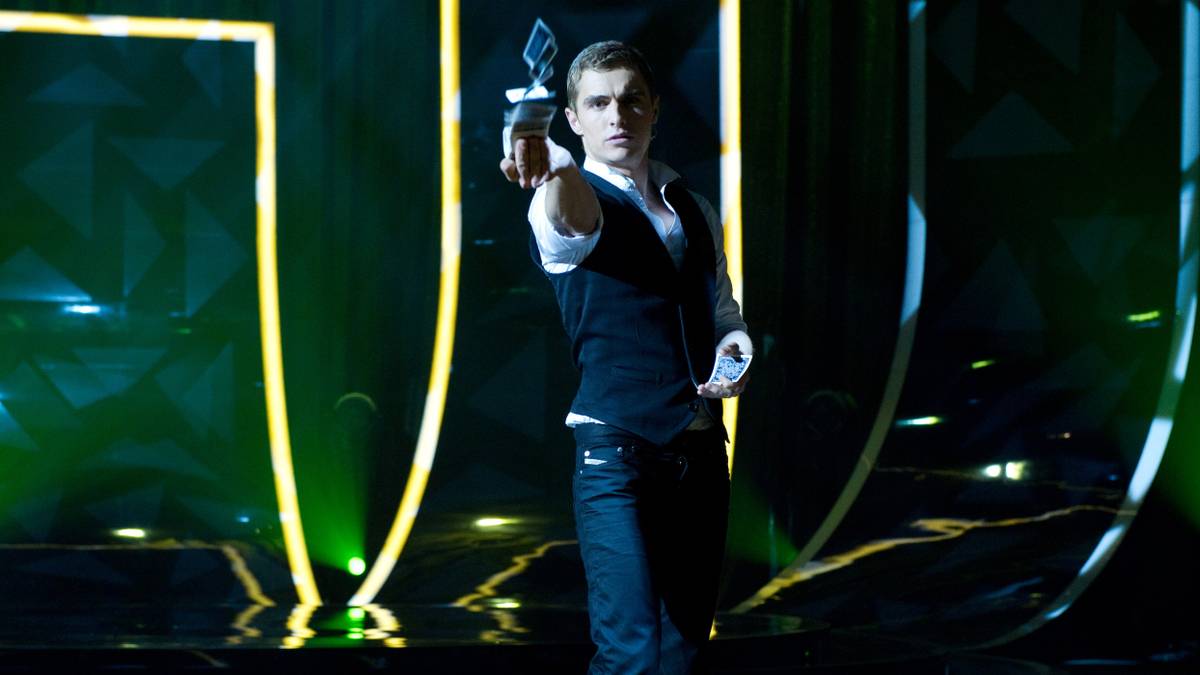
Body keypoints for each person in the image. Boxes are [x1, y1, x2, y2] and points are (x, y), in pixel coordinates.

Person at [499, 40, 752, 674]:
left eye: (631, 100)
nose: (618, 115)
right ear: (574, 118)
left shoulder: (693, 207)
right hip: (617, 452)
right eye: (598, 103)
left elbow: (722, 314)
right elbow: (577, 222)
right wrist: (559, 168)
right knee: (631, 651)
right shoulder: (562, 197)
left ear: (654, 109)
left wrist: (733, 354)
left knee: (685, 648)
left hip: (701, 450)